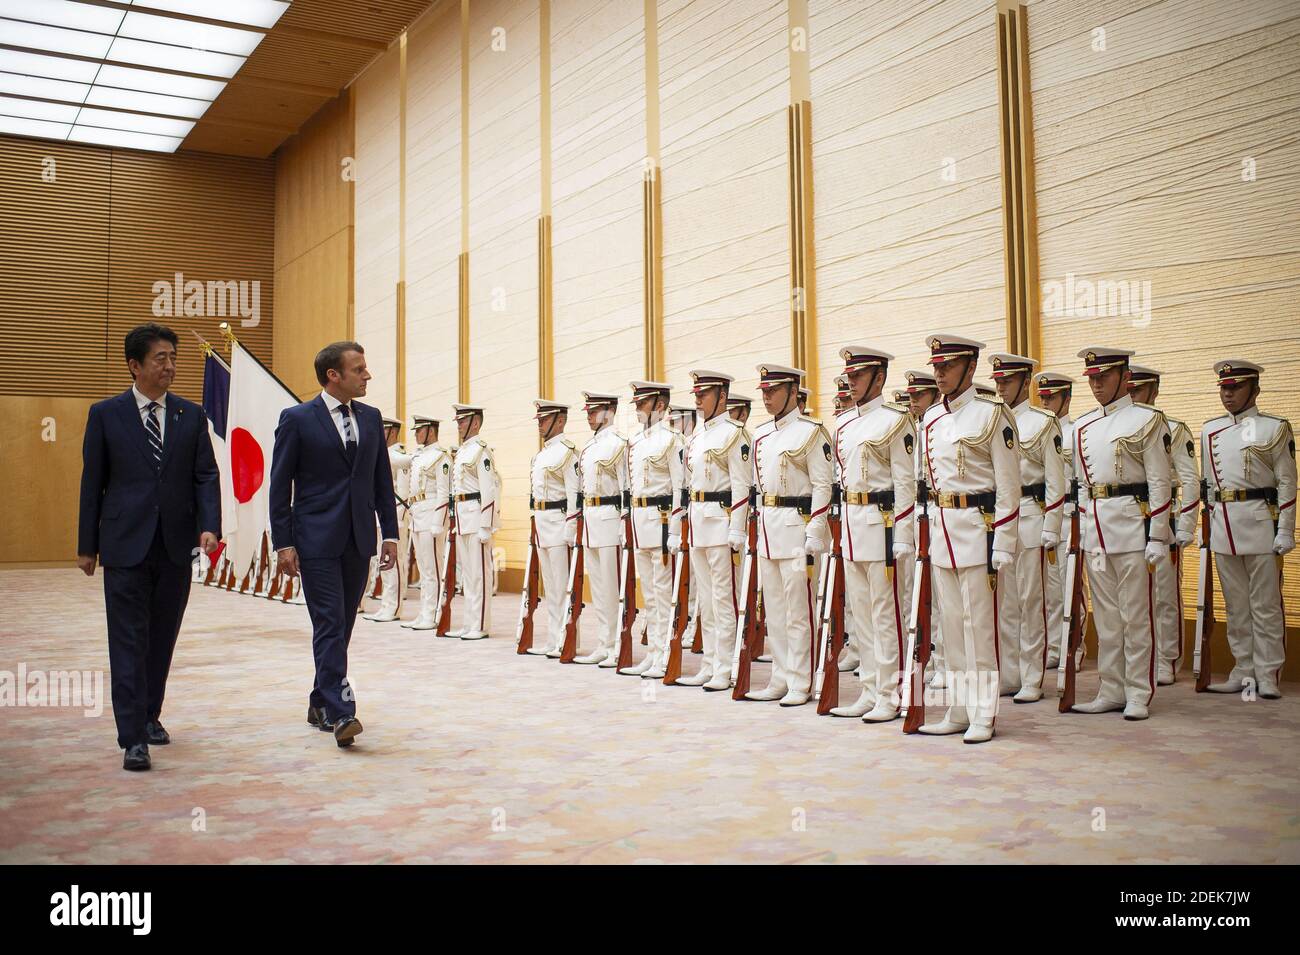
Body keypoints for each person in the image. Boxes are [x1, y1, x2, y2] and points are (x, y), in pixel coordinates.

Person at [77, 323, 221, 771]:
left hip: (176, 546)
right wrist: (87, 545)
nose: (170, 366)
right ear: (135, 365)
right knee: (127, 639)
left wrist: (209, 526)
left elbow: (206, 476)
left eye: (173, 357)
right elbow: (92, 483)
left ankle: (150, 714)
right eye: (161, 358)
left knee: (161, 638)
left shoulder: (191, 416)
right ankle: (132, 736)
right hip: (123, 544)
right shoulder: (106, 414)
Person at [269, 341, 399, 748]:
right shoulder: (297, 419)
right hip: (316, 539)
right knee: (328, 621)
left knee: (342, 623)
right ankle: (343, 710)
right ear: (333, 376)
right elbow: (279, 485)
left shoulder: (371, 418)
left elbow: (382, 481)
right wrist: (284, 542)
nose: (368, 376)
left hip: (359, 538)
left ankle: (318, 700)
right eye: (359, 369)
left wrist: (390, 533)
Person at [915, 334, 1019, 743]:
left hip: (981, 530)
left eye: (948, 366)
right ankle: (958, 708)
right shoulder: (931, 420)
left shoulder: (994, 414)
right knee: (952, 628)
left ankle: (983, 713)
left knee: (980, 627)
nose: (939, 373)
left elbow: (1010, 485)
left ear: (970, 367)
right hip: (944, 530)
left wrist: (1006, 541)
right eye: (936, 366)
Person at [1069, 346, 1172, 721]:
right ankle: (1111, 687)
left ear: (1124, 378)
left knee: (1136, 615)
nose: (1096, 384)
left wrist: (1159, 535)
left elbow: (1161, 481)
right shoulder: (1081, 425)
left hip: (1132, 526)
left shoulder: (1147, 419)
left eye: (1104, 377)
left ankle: (1138, 692)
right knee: (1108, 618)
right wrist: (1080, 530)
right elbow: (1080, 484)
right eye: (1092, 378)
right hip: (1097, 530)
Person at [1201, 359, 1295, 699]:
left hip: (1259, 522)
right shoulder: (1210, 430)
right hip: (1224, 524)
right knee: (1236, 604)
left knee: (1266, 604)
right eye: (1224, 388)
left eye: (1235, 387)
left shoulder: (1274, 428)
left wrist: (1285, 529)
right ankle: (1243, 668)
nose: (1228, 394)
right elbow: (1208, 484)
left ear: (1254, 389)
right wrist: (1207, 525)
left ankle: (1267, 672)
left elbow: (1287, 483)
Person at [830, 346, 915, 721]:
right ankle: (869, 688)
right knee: (861, 614)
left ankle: (891, 693)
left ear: (879, 377)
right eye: (849, 375)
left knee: (886, 613)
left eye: (859, 375)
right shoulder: (845, 425)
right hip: (853, 525)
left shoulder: (896, 420)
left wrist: (903, 534)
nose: (852, 380)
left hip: (883, 526)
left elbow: (906, 483)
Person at [744, 364, 833, 706]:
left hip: (797, 528)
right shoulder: (763, 434)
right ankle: (780, 676)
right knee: (776, 611)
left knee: (799, 609)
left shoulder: (812, 432)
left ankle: (801, 679)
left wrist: (816, 529)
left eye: (773, 391)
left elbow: (823, 484)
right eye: (764, 391)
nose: (766, 397)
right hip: (769, 528)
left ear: (793, 391)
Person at [988, 353, 1065, 704]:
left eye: (1007, 380)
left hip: (1033, 515)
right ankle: (1010, 673)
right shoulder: (990, 418)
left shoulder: (1043, 422)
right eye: (998, 380)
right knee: (1005, 602)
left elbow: (1055, 479)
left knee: (1032, 599)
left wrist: (1052, 524)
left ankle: (1033, 676)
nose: (1000, 386)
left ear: (1024, 381)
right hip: (1000, 519)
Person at [1127, 365, 1199, 684]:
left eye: (1138, 390)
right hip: (1126, 521)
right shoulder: (1114, 427)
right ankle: (1138, 658)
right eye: (1128, 390)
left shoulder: (1173, 427)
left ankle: (1167, 658)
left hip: (1161, 519)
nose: (1132, 396)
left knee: (1165, 594)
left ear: (1154, 391)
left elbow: (1190, 480)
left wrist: (1186, 526)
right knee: (1130, 597)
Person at [678, 370, 750, 689]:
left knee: (724, 598)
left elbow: (741, 485)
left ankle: (726, 666)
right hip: (699, 522)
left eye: (703, 394)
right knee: (705, 599)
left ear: (722, 396)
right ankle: (709, 662)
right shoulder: (697, 436)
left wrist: (737, 527)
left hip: (722, 522)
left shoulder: (735, 433)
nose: (697, 399)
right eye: (696, 394)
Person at [622, 381, 685, 677]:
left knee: (662, 592)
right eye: (636, 403)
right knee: (649, 592)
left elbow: (679, 487)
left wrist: (675, 527)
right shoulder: (635, 441)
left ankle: (664, 656)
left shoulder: (673, 439)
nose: (637, 408)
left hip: (661, 521)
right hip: (641, 520)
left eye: (643, 403)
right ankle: (653, 652)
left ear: (660, 405)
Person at [574, 392, 629, 666]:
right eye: (587, 411)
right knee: (597, 588)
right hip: (591, 519)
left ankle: (619, 644)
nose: (588, 415)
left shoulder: (619, 444)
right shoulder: (588, 447)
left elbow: (625, 489)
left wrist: (623, 524)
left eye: (593, 410)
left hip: (610, 518)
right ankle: (604, 642)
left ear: (609, 411)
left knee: (612, 586)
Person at [524, 400, 580, 658]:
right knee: (549, 585)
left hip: (559, 522)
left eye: (544, 419)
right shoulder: (540, 455)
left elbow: (573, 493)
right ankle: (552, 636)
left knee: (562, 585)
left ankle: (567, 638)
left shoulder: (568, 452)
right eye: (539, 420)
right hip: (542, 522)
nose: (540, 424)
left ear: (560, 420)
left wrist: (571, 526)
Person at [904, 368, 946, 687]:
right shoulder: (914, 429)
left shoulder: (937, 426)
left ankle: (944, 662)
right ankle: (927, 655)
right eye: (912, 396)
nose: (914, 402)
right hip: (918, 513)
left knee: (943, 598)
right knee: (920, 594)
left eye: (920, 395)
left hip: (939, 513)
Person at [1034, 369, 1078, 670]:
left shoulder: (1076, 432)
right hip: (1044, 515)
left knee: (1069, 586)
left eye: (1053, 397)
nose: (1047, 402)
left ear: (1067, 398)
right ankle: (1053, 647)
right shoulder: (1038, 430)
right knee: (1048, 589)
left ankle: (1073, 647)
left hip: (1070, 514)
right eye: (1044, 397)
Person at [446, 403, 498, 640]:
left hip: (476, 518)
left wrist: (486, 525)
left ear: (475, 423)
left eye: (463, 420)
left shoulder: (480, 451)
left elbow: (489, 490)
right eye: (458, 421)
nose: (459, 424)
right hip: (463, 517)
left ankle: (480, 624)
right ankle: (469, 622)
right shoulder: (464, 452)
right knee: (467, 575)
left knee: (479, 575)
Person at [401, 415, 450, 631]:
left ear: (431, 430)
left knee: (433, 568)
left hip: (431, 516)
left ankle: (433, 614)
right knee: (423, 567)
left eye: (419, 430)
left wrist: (438, 521)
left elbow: (443, 492)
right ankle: (424, 612)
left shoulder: (441, 457)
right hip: (418, 515)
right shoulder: (419, 456)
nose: (416, 434)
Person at [363, 416, 412, 622]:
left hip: (395, 517)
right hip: (379, 515)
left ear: (392, 432)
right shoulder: (384, 454)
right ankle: (386, 603)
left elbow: (402, 494)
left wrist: (396, 519)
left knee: (395, 561)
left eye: (383, 430)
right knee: (382, 562)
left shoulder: (398, 456)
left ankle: (394, 607)